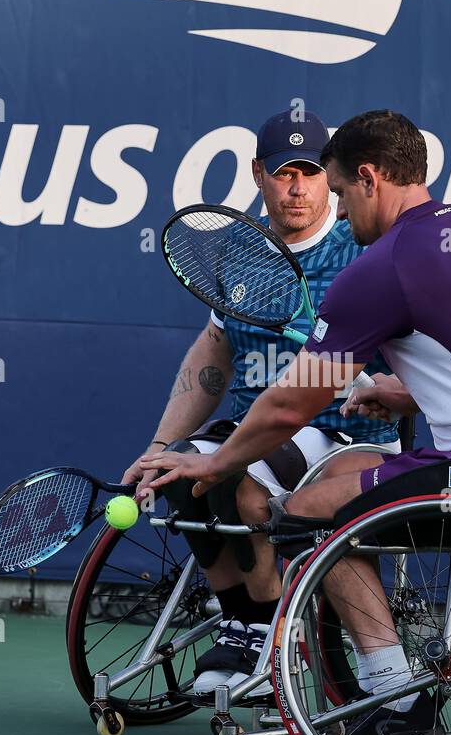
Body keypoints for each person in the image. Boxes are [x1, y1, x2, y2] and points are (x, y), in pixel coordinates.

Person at [139, 109, 451, 735]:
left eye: (337, 188)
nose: (334, 202)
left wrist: (215, 461)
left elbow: (288, 407)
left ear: (369, 178)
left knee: (302, 512)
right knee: (338, 492)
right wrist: (408, 394)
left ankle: (391, 697)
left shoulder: (382, 267)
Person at [122, 108, 398, 697]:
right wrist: (155, 446)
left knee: (245, 478)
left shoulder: (363, 246)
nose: (296, 187)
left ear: (330, 176)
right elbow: (214, 352)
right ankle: (242, 622)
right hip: (259, 423)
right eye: (282, 173)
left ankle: (273, 628)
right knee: (176, 471)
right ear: (258, 174)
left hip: (342, 432)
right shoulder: (238, 249)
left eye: (309, 172)